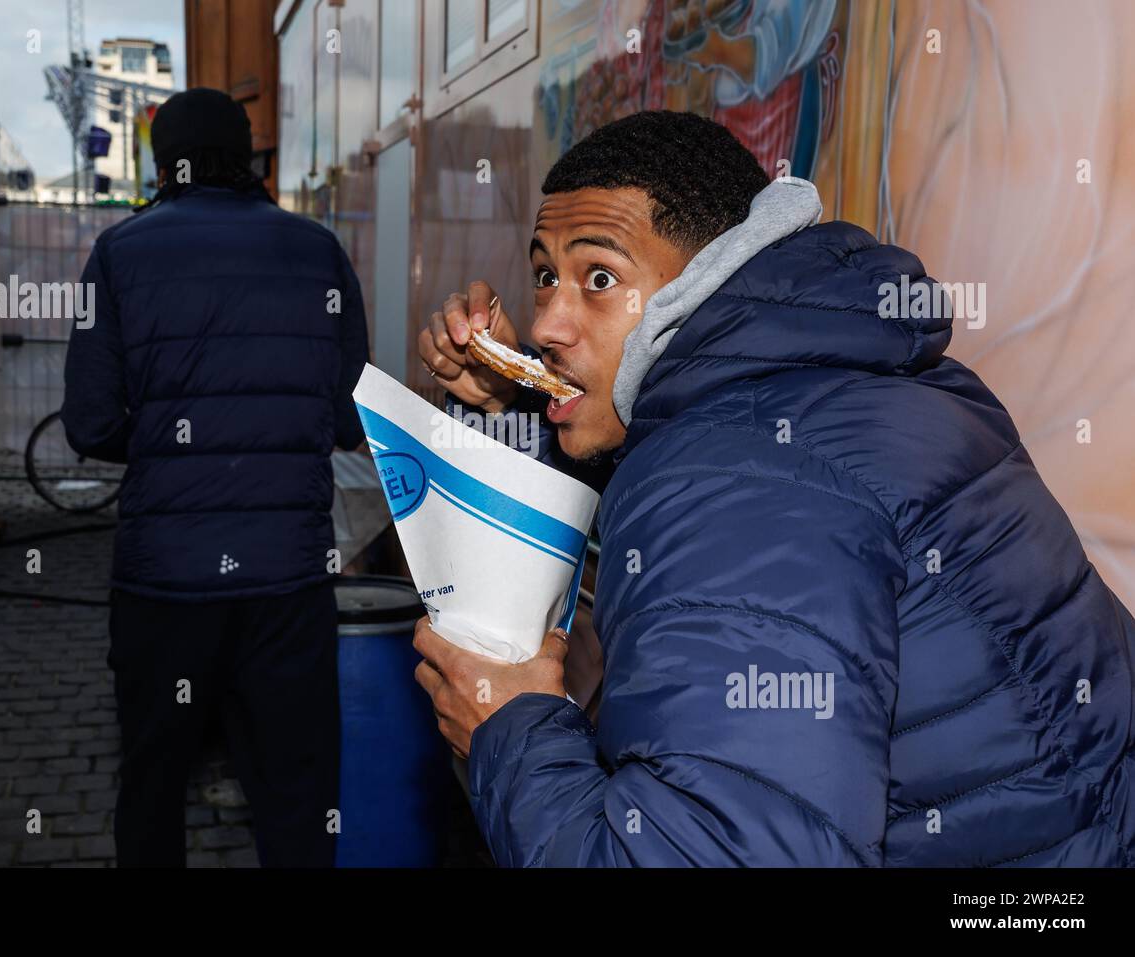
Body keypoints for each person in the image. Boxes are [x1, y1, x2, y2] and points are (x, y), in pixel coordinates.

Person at [414, 110, 1135, 866]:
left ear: (705, 273)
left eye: (599, 278)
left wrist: (512, 728)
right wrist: (512, 406)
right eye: (543, 275)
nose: (551, 323)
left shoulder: (733, 482)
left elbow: (708, 853)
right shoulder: (862, 378)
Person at [62, 88, 368, 867]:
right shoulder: (318, 250)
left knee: (154, 785)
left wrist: (170, 440)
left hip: (164, 586)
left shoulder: (120, 253)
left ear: (166, 163)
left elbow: (89, 422)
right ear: (249, 159)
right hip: (288, 583)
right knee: (296, 794)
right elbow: (347, 419)